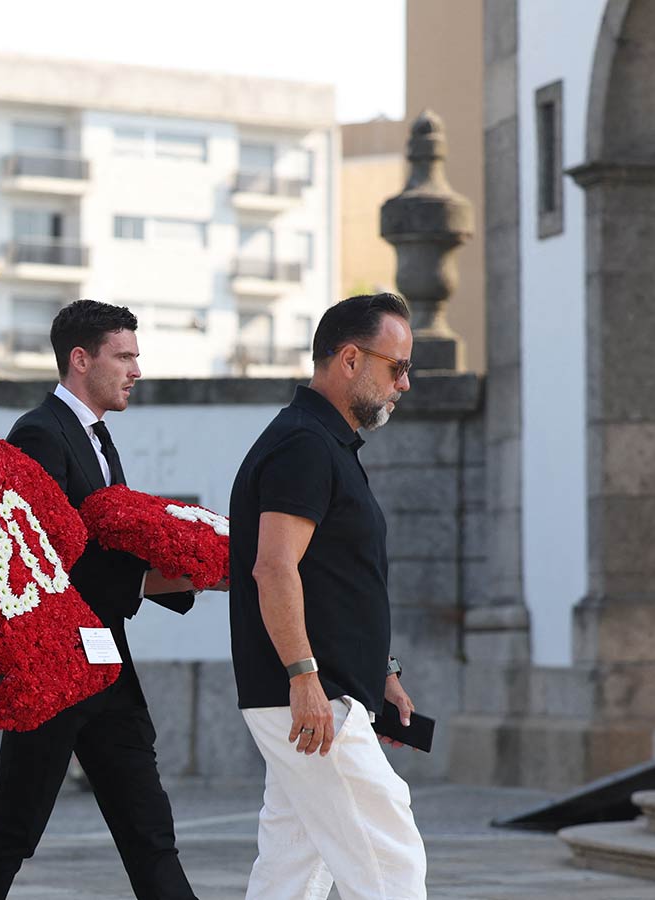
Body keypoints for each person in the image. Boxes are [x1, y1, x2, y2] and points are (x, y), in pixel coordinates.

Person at [0, 299, 203, 900]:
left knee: (149, 830)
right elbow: (48, 557)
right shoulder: (39, 433)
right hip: (54, 673)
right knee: (14, 829)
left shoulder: (97, 437)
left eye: (135, 356)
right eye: (124, 355)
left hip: (106, 667)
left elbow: (112, 544)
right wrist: (166, 579)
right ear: (80, 359)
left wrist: (189, 567)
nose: (136, 370)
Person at [228, 292, 427, 900]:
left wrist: (382, 673)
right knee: (389, 857)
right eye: (396, 368)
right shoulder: (304, 445)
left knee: (293, 869)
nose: (405, 384)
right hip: (314, 698)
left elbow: (339, 581)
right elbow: (274, 567)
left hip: (326, 692)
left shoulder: (325, 442)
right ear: (349, 358)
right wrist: (303, 676)